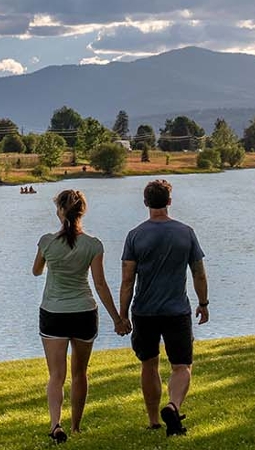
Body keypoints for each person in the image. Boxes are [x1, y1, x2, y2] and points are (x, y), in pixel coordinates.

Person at [117, 179, 209, 437]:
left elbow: (127, 281)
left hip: (144, 311)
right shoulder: (186, 232)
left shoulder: (135, 235)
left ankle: (154, 419)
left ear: (145, 202)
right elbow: (199, 274)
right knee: (181, 365)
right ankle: (173, 405)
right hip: (177, 311)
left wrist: (122, 316)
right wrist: (203, 303)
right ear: (169, 201)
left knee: (149, 364)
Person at [33, 189, 126, 442]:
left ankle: (55, 424)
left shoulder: (47, 242)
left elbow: (36, 271)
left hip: (53, 313)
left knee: (56, 375)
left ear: (60, 211)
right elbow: (100, 285)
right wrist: (117, 319)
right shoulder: (93, 245)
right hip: (84, 313)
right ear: (82, 212)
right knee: (79, 373)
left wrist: (50, 262)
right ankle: (75, 427)